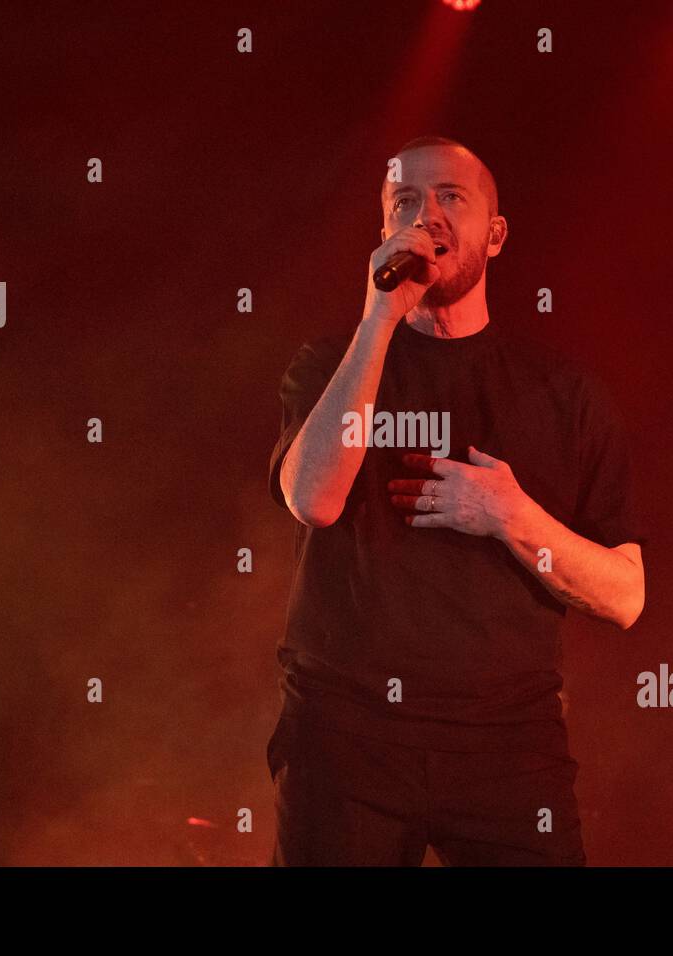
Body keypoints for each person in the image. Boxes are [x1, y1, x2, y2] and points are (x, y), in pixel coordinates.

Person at [266, 135, 647, 866]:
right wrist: (378, 318)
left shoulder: (563, 397)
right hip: (348, 739)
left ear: (495, 235)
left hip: (507, 746)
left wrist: (511, 516)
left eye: (450, 196)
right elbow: (313, 499)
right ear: (385, 232)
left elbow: (625, 595)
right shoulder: (330, 365)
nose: (426, 213)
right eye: (404, 200)